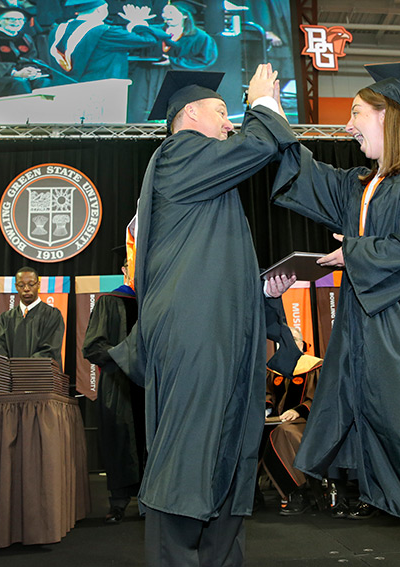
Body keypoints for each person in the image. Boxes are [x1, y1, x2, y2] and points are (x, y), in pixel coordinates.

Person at [271, 61, 400, 566]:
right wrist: (273, 116)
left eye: (356, 111)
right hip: (375, 328)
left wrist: (356, 253)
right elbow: (306, 175)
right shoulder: (361, 186)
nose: (347, 124)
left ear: (388, 116)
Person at [107, 66, 298, 567]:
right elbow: (256, 146)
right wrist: (262, 103)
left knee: (228, 456)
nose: (230, 124)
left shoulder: (208, 185)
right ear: (190, 114)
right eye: (222, 113)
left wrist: (262, 291)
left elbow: (212, 267)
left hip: (221, 333)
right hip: (195, 336)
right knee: (189, 455)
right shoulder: (176, 154)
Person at [81, 256, 145, 525]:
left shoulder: (156, 303)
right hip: (119, 384)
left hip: (152, 386)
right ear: (124, 270)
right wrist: (126, 356)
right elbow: (93, 345)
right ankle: (118, 503)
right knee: (120, 441)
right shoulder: (109, 301)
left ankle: (150, 501)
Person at [261, 326, 322, 516]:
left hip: (306, 423)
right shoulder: (273, 367)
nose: (291, 343)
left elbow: (320, 398)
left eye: (295, 339)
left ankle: (296, 492)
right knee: (252, 433)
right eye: (286, 340)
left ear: (302, 344)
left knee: (284, 433)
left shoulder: (314, 366)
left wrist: (298, 410)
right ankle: (251, 495)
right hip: (275, 420)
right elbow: (268, 394)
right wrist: (267, 408)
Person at [127, 1, 218, 122]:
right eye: (164, 12)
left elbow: (205, 60)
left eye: (171, 12)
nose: (165, 15)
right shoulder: (153, 31)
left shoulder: (200, 37)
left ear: (184, 15)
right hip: (148, 76)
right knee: (140, 107)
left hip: (176, 78)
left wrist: (173, 61)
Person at [48, 0, 160, 84]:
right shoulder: (105, 32)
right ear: (99, 10)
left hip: (64, 88)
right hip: (101, 90)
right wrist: (137, 23)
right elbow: (148, 40)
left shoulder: (57, 31)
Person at [0, 266, 65, 363]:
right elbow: (0, 350)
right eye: (21, 285)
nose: (26, 289)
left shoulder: (52, 315)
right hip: (11, 376)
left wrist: (25, 368)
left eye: (31, 284)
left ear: (38, 285)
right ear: (16, 287)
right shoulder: (6, 318)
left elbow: (50, 350)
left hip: (41, 375)